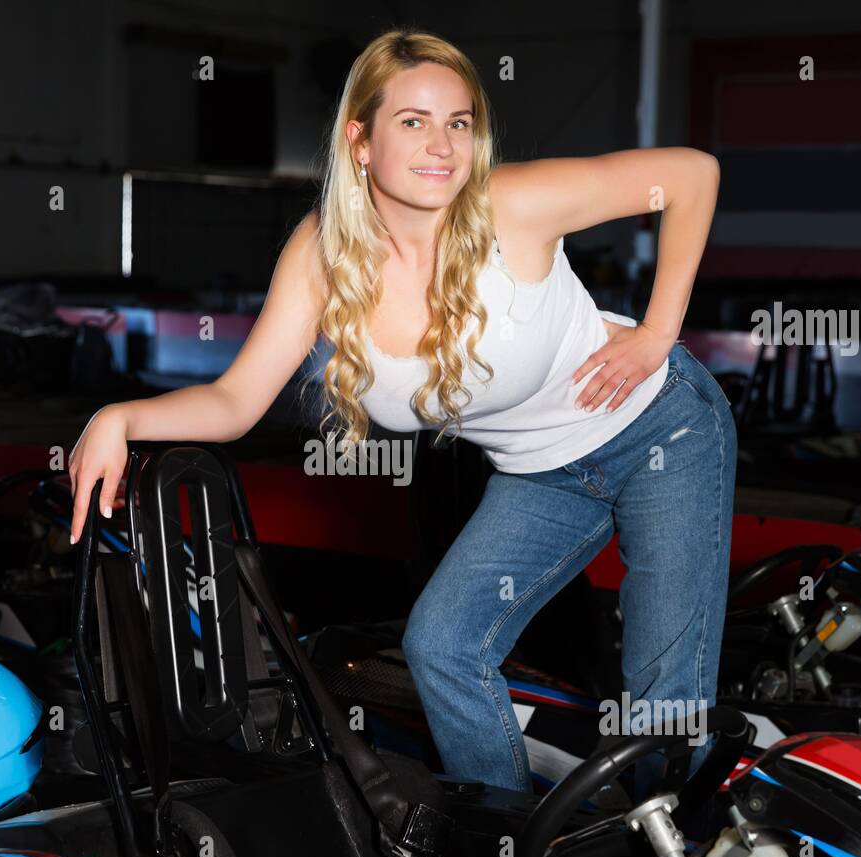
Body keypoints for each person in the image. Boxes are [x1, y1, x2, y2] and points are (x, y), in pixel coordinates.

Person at [69, 28, 735, 796]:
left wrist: (656, 334)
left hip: (660, 428)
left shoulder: (511, 204)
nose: (442, 145)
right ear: (360, 140)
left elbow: (691, 174)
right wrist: (121, 416)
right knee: (444, 646)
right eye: (413, 121)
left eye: (459, 122)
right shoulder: (323, 254)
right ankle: (506, 844)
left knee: (662, 705)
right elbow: (235, 401)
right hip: (542, 475)